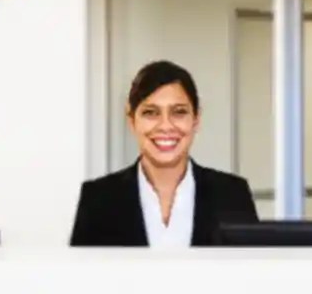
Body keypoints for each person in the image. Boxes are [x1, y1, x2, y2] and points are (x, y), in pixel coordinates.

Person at [70, 61, 258, 247]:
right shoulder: (97, 199)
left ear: (196, 120)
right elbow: (81, 268)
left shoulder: (233, 194)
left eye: (179, 112)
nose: (166, 126)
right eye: (151, 113)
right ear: (132, 121)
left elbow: (252, 266)